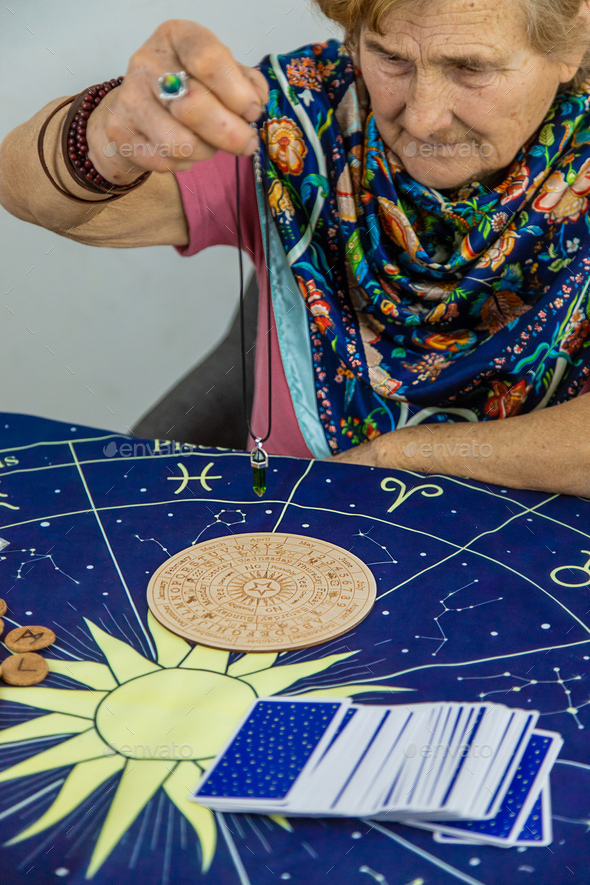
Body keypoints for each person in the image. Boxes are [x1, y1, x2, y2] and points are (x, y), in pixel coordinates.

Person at [1, 0, 590, 497]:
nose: (424, 118)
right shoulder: (301, 117)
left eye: (470, 67)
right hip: (290, 541)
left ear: (574, 38)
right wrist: (104, 138)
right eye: (391, 59)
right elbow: (30, 194)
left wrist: (397, 456)